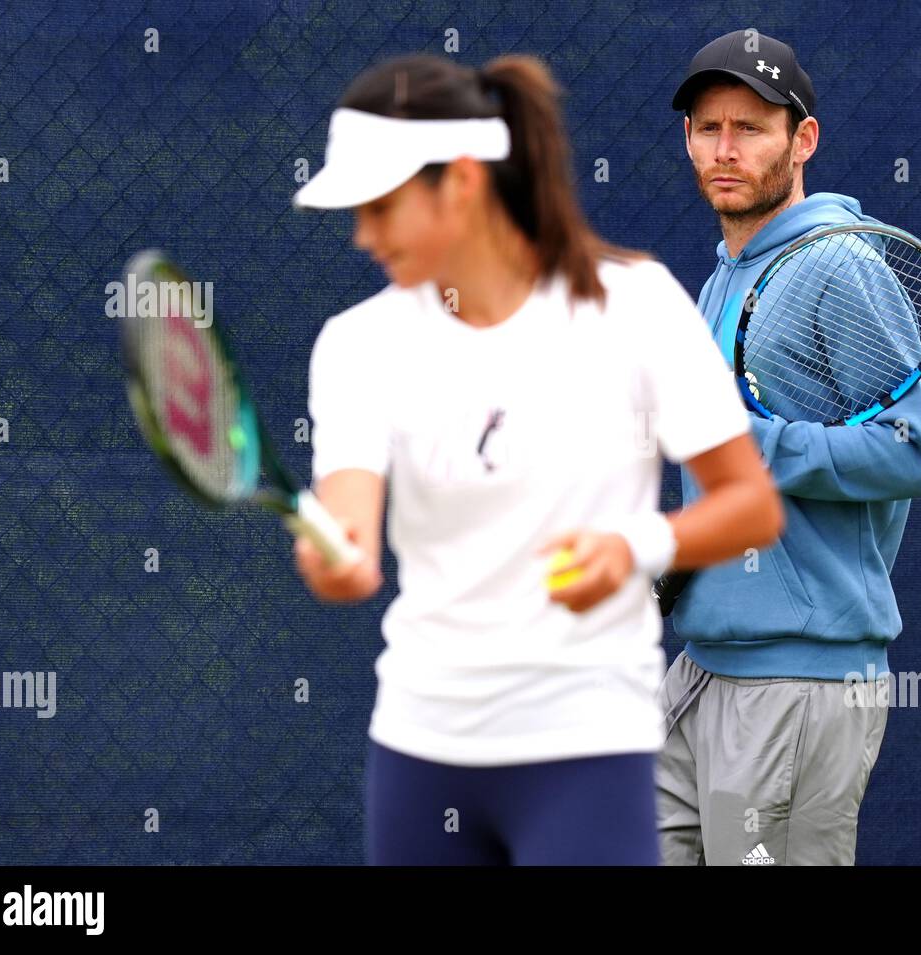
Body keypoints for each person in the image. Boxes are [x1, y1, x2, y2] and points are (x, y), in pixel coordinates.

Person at [289, 53, 784, 866]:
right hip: (420, 744)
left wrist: (634, 547)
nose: (363, 234)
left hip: (588, 743)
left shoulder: (637, 305)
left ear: (461, 183)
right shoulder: (356, 344)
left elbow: (751, 506)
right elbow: (347, 527)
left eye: (381, 206)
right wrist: (331, 559)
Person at [656, 30, 921, 866]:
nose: (726, 148)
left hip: (799, 682)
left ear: (801, 139)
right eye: (709, 129)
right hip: (703, 670)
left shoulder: (839, 265)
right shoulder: (722, 276)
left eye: (750, 127)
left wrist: (754, 446)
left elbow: (906, 450)